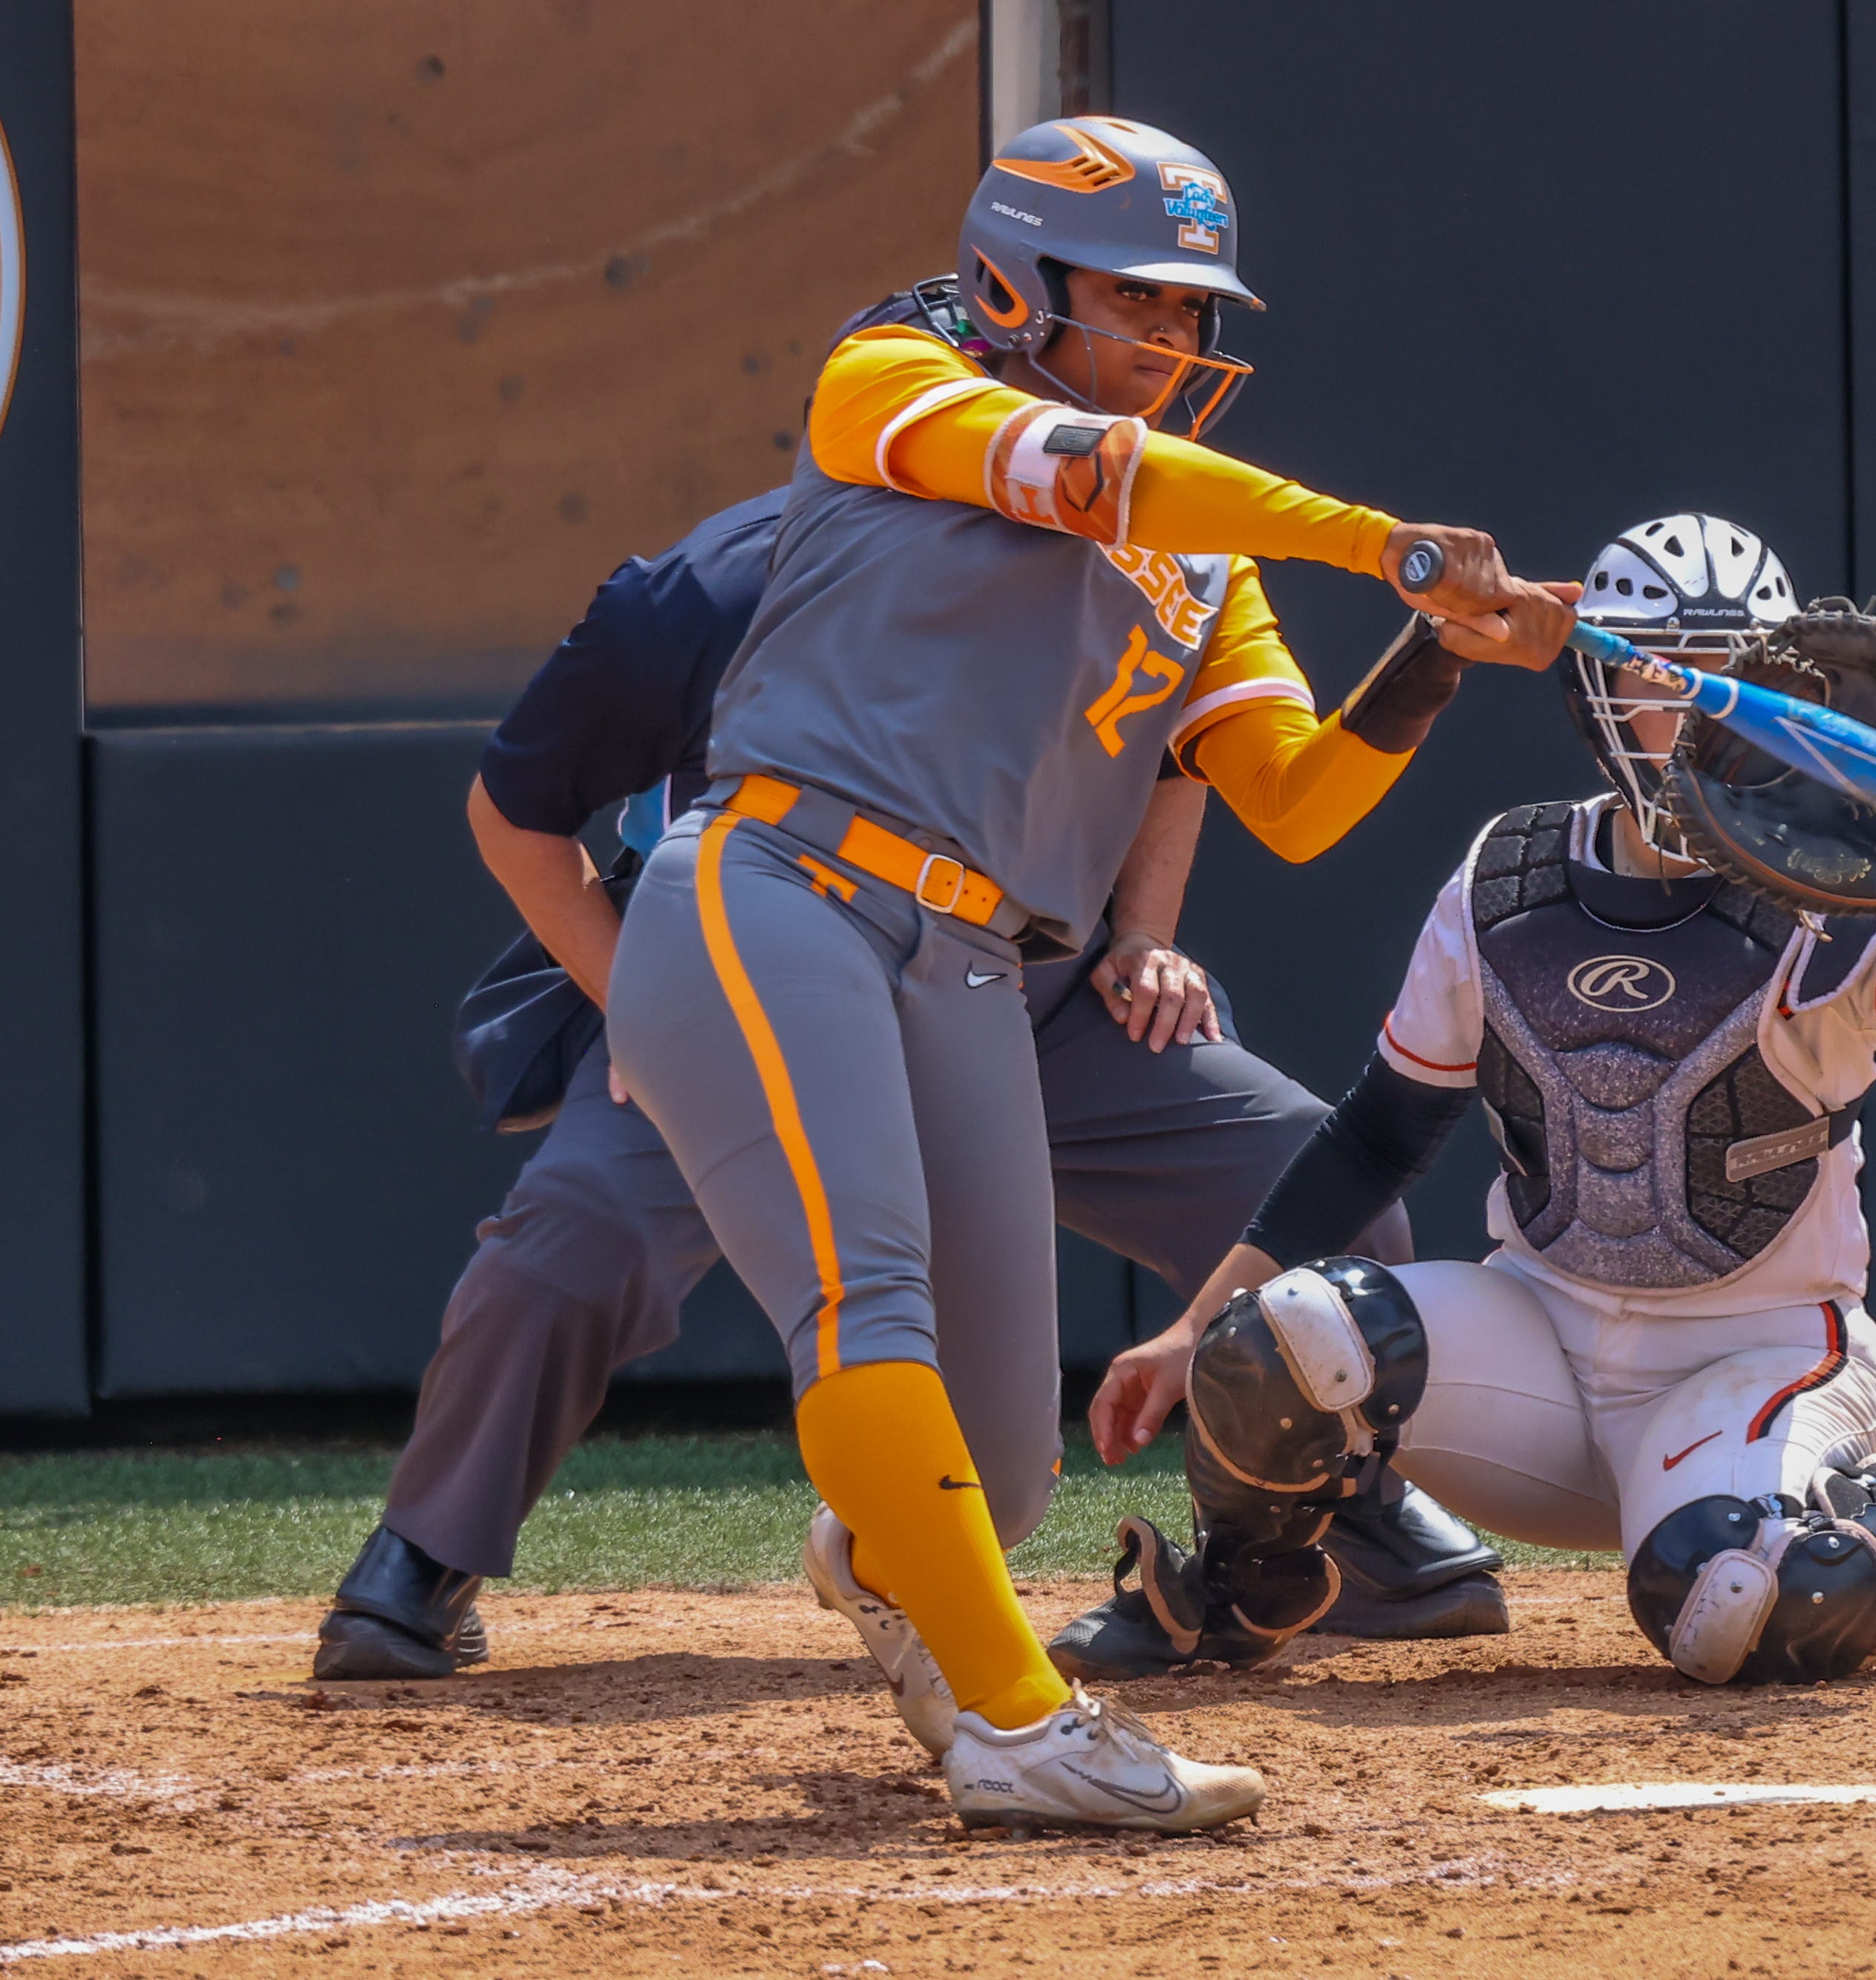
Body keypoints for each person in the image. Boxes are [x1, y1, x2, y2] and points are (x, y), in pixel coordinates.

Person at [313, 303, 1506, 1702]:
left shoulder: (1142, 550)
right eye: (978, 387)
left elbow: (1182, 748)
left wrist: (1144, 933)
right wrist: (638, 999)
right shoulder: (719, 581)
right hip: (773, 957)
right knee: (576, 1238)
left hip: (1018, 981)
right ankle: (429, 1547)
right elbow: (514, 810)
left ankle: (1311, 1513)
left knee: (1304, 1181)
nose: (1009, 414)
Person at [601, 117, 1571, 1833]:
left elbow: (1295, 800)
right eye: (1132, 295)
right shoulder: (888, 379)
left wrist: (1431, 654)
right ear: (1010, 278)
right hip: (780, 884)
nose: (1169, 336)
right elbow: (1094, 475)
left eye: (1188, 308)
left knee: (1001, 1464)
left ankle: (884, 1552)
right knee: (867, 1305)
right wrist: (1378, 540)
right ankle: (1019, 1726)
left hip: (971, 956)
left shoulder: (1203, 552)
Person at [1053, 515, 1876, 1690]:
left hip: (1753, 1356)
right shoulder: (1509, 872)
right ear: (1600, 695)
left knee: (1746, 1613)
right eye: (1666, 675)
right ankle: (1232, 1598)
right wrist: (1192, 1330)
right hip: (1539, 1345)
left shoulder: (1835, 892)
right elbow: (1379, 1134)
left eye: (1730, 679)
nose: (1699, 712)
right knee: (1277, 1333)